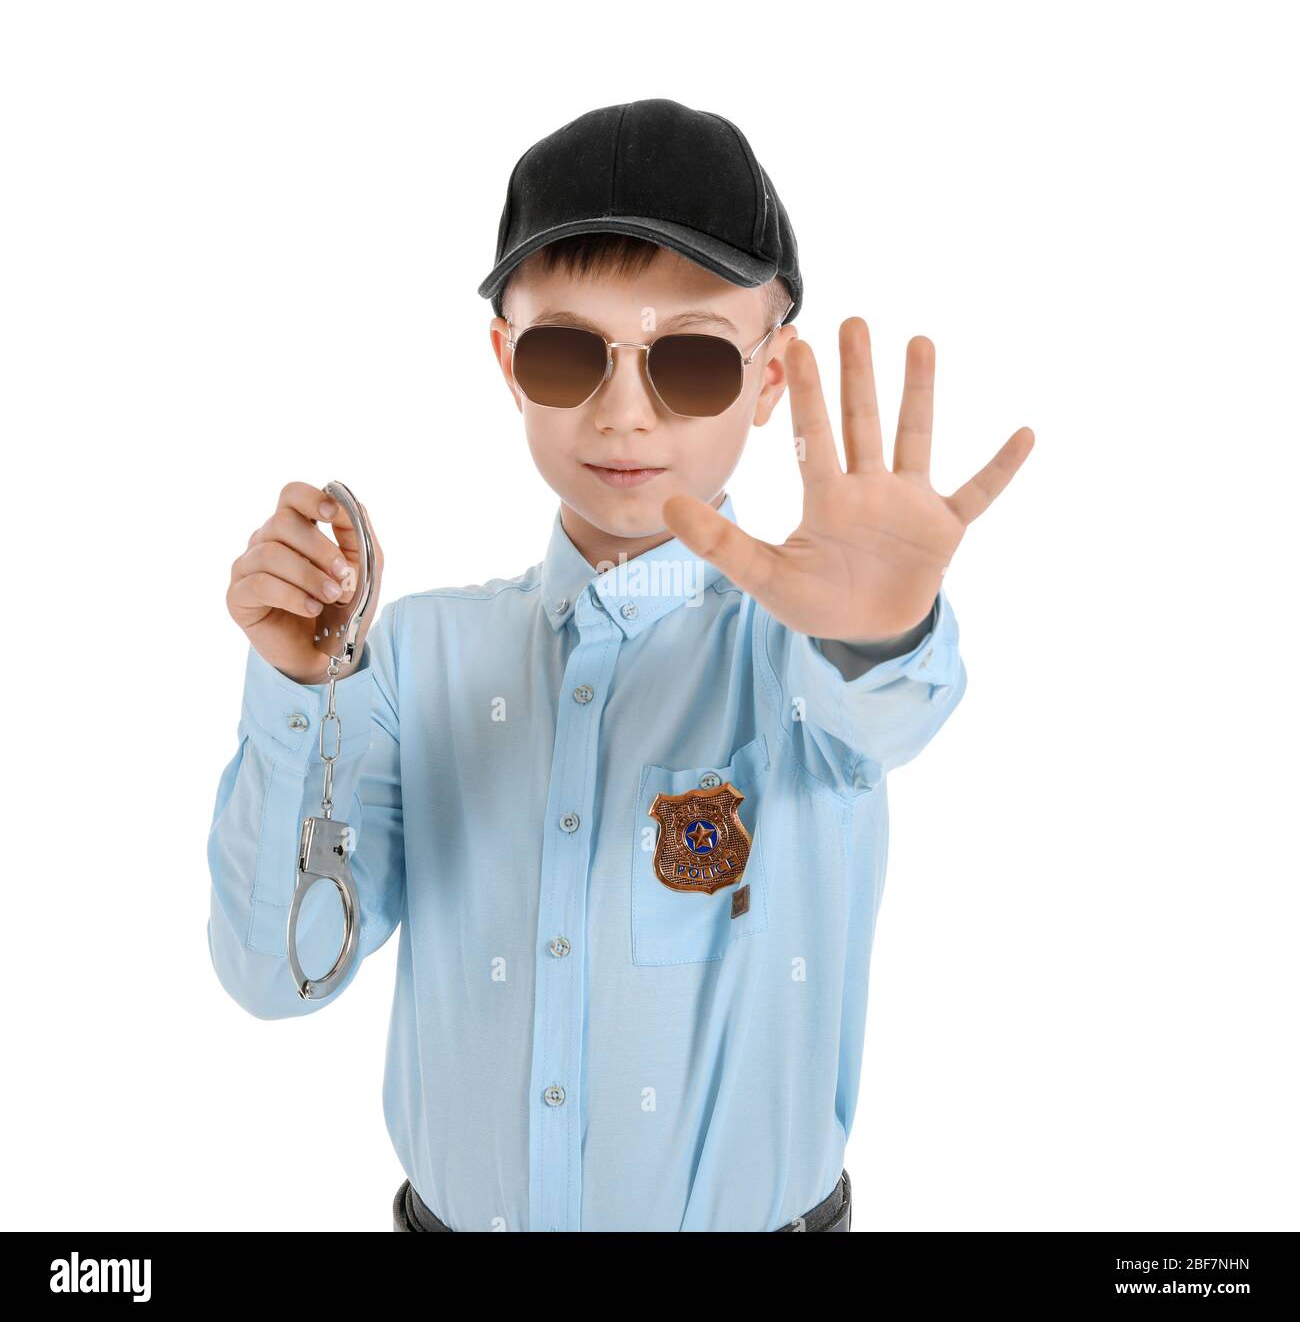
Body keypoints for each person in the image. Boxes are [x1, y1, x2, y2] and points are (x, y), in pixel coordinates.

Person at [210, 97, 1034, 1231]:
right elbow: (276, 973)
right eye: (567, 352)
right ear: (508, 360)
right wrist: (300, 695)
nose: (626, 412)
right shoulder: (414, 656)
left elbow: (889, 709)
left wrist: (876, 631)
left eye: (690, 359)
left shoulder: (803, 651)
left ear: (770, 379)